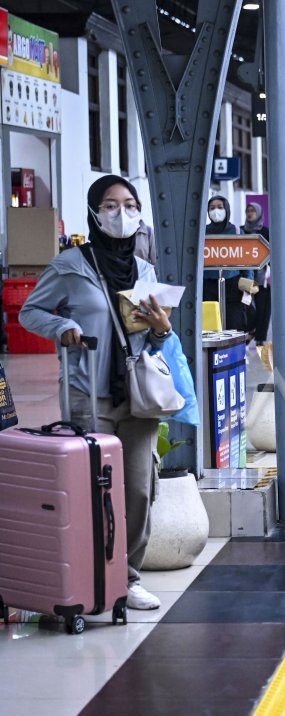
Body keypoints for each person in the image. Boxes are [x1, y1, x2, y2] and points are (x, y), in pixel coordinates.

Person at [19, 175, 172, 610]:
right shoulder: (70, 265)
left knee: (139, 490)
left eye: (128, 204)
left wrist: (162, 329)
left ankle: (128, 577)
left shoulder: (144, 271)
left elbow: (151, 336)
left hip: (138, 395)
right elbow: (32, 312)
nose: (120, 213)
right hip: (91, 395)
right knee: (93, 488)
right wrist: (63, 327)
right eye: (109, 205)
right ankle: (89, 578)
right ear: (93, 212)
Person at [202, 194, 253, 332]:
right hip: (208, 286)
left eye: (220, 207)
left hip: (233, 286)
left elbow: (247, 262)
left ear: (227, 209)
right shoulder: (201, 232)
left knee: (234, 323)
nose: (216, 211)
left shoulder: (236, 232)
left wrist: (247, 283)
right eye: (211, 208)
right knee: (211, 326)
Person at [242, 201, 271, 349]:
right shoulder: (240, 231)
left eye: (253, 210)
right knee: (246, 308)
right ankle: (248, 333)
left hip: (261, 278)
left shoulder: (265, 232)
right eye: (248, 210)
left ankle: (260, 337)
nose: (250, 213)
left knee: (262, 309)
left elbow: (270, 254)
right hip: (244, 278)